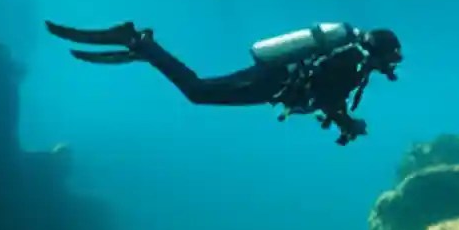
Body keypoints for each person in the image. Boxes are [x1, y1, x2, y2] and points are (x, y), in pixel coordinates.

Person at [44, 20, 402, 146]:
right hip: (272, 85)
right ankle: (139, 43)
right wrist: (348, 123)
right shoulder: (353, 60)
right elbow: (327, 96)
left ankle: (146, 49)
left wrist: (342, 118)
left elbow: (325, 93)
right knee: (198, 93)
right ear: (380, 51)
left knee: (199, 87)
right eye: (391, 59)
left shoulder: (349, 53)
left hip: (274, 78)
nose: (390, 67)